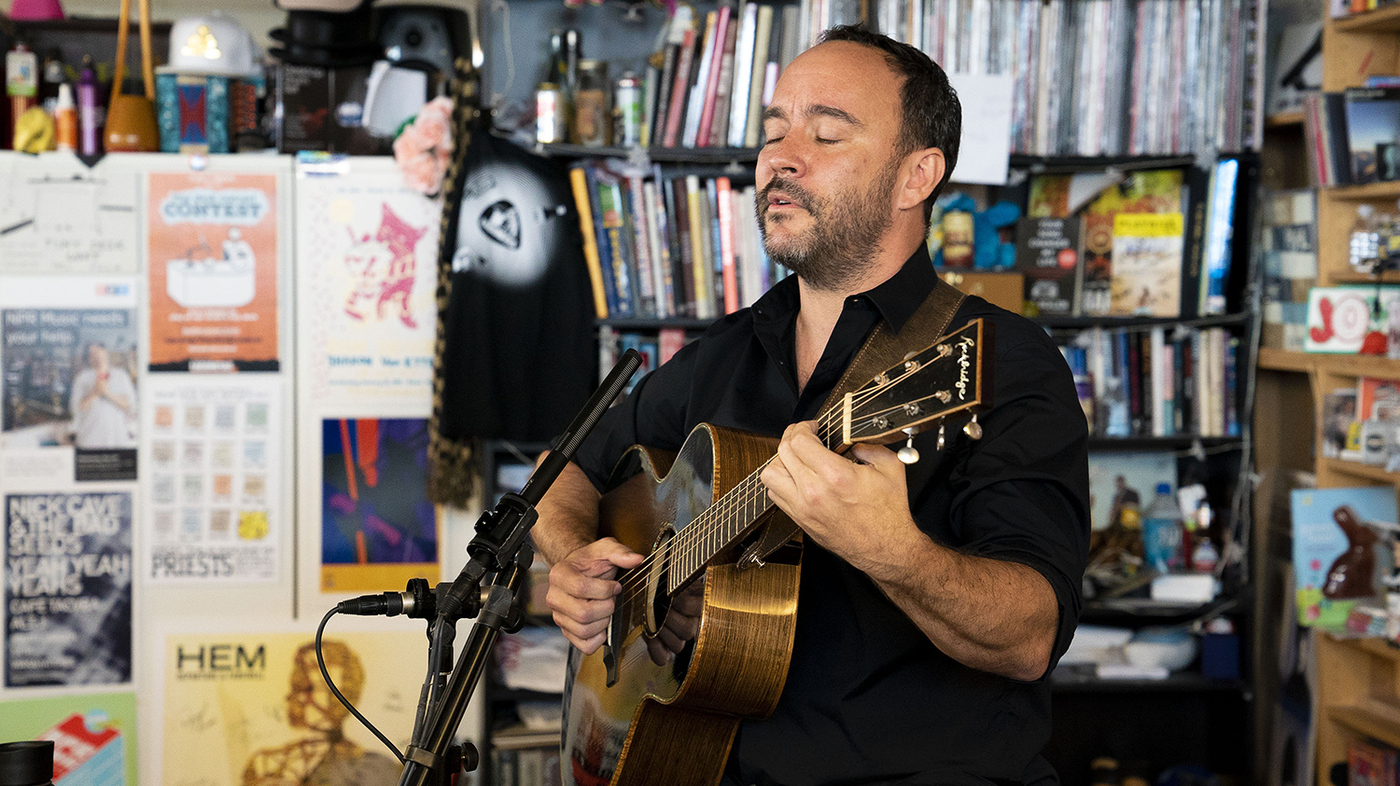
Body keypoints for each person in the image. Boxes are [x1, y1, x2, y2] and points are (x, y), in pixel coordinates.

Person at [533, 25, 1090, 786]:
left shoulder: (997, 361)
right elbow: (556, 476)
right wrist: (579, 563)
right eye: (772, 131)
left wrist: (892, 551)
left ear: (914, 176)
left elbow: (1029, 637)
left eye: (826, 133)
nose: (780, 157)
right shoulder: (723, 354)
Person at [242, 640, 399, 786]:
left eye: (310, 687)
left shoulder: (376, 768)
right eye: (296, 686)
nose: (296, 697)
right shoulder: (265, 763)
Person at [70, 341, 137, 449]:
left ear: (107, 354)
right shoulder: (82, 378)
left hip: (118, 441)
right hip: (89, 441)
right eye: (92, 354)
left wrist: (106, 392)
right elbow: (77, 408)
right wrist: (96, 388)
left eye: (99, 353)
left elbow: (130, 406)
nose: (97, 357)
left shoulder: (121, 376)